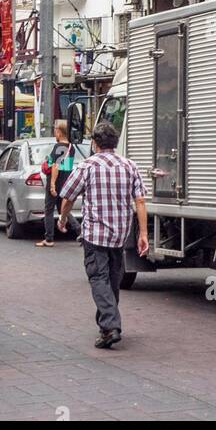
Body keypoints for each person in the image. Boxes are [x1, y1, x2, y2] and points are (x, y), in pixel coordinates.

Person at [58, 120, 149, 350]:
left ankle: (110, 325)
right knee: (112, 279)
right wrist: (144, 234)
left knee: (98, 278)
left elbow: (68, 196)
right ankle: (106, 327)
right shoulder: (129, 166)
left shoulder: (87, 166)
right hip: (120, 234)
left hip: (95, 234)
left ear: (95, 143)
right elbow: (140, 201)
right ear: (115, 143)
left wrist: (62, 218)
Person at [37, 120, 76, 249]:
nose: (54, 132)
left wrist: (52, 184)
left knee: (48, 210)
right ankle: (80, 231)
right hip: (66, 182)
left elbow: (55, 166)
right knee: (63, 209)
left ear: (59, 132)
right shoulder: (71, 147)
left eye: (55, 129)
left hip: (56, 182)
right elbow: (67, 166)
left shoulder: (59, 147)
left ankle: (49, 238)